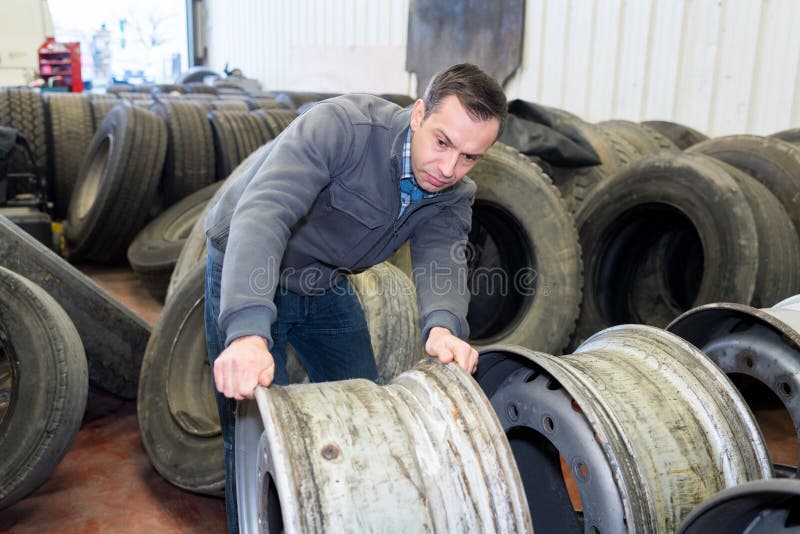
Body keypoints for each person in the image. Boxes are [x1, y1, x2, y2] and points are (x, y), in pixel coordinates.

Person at [203, 62, 507, 532]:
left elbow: (443, 257)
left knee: (366, 408)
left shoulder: (452, 192)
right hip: (252, 263)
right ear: (419, 113)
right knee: (258, 429)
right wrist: (245, 331)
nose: (450, 168)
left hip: (325, 280)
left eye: (470, 157)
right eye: (443, 142)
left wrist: (444, 326)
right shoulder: (342, 129)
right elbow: (264, 214)